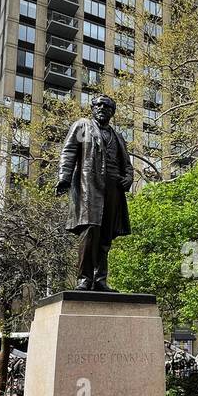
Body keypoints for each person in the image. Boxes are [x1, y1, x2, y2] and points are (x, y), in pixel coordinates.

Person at [56, 94, 134, 292]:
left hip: (113, 190)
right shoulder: (83, 127)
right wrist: (64, 178)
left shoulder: (117, 136)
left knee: (106, 236)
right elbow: (69, 151)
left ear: (112, 112)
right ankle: (84, 278)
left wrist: (128, 178)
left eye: (107, 106)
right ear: (92, 108)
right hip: (89, 186)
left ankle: (100, 279)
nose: (102, 108)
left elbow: (126, 163)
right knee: (90, 232)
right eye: (98, 105)